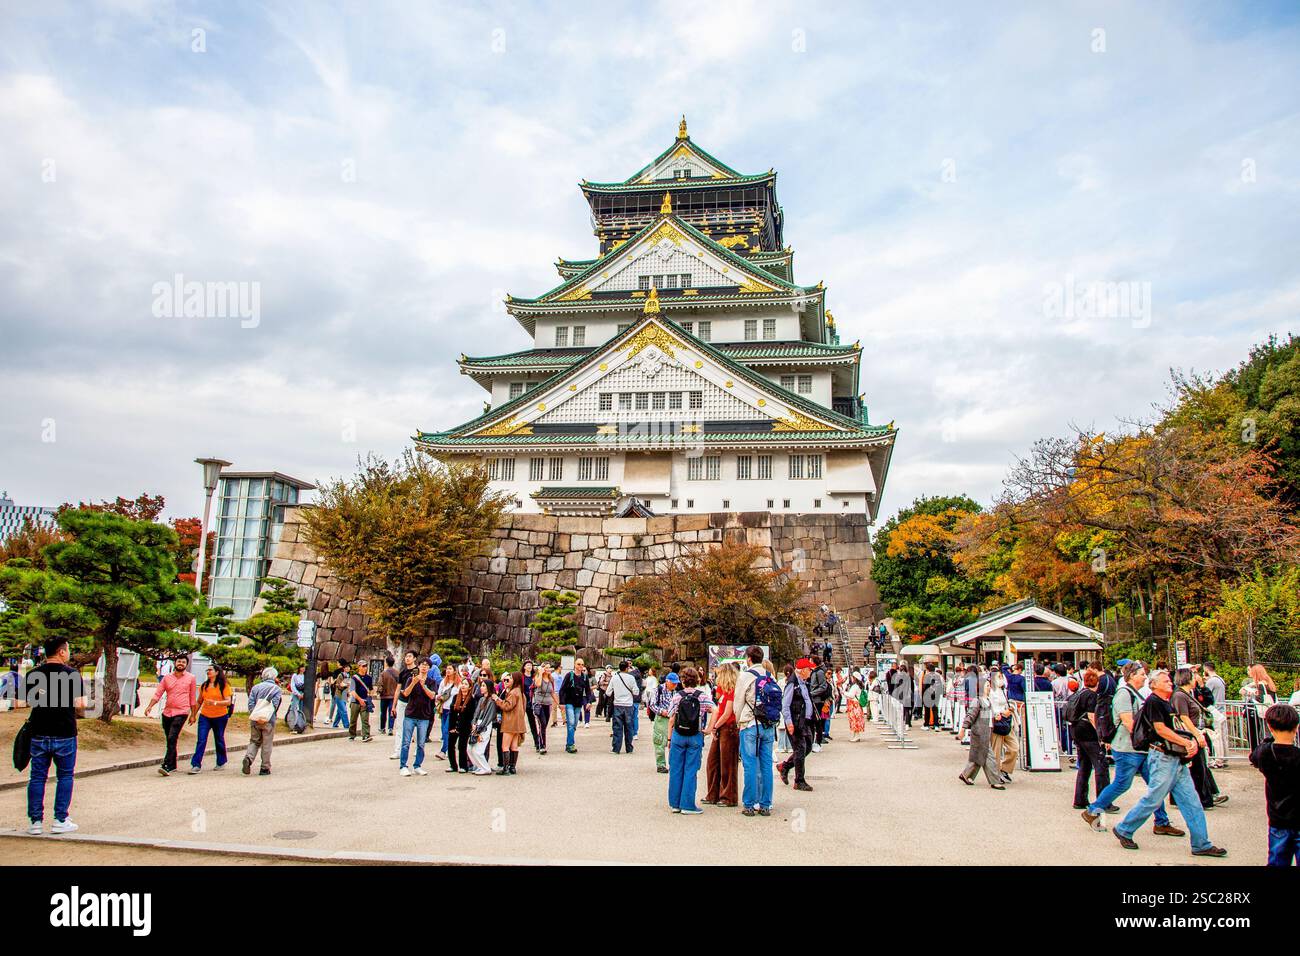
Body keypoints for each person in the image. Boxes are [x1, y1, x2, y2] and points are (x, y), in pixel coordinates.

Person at [1111, 670, 1226, 857]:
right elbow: (1160, 729)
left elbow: (1173, 727)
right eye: (1165, 681)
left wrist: (1189, 741)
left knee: (1191, 801)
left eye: (1169, 680)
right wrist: (1187, 742)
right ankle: (1124, 828)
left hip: (1174, 758)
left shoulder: (1166, 702)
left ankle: (1201, 843)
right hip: (1162, 757)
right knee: (1154, 798)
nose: (1169, 683)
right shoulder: (1154, 702)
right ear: (1154, 684)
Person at [1083, 663, 1177, 832]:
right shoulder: (1124, 694)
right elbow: (1129, 723)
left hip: (1138, 748)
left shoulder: (1135, 694)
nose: (1144, 677)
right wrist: (1152, 737)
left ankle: (1161, 822)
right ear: (1132, 675)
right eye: (1141, 674)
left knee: (1156, 785)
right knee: (1122, 784)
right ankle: (1093, 809)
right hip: (1127, 748)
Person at [24, 636, 86, 835]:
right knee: (65, 776)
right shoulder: (72, 674)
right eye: (68, 649)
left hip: (39, 731)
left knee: (37, 777)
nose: (69, 653)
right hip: (64, 731)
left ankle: (35, 822)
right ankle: (60, 819)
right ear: (61, 652)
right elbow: (81, 704)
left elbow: (27, 702)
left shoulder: (34, 674)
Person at [1249, 703, 1299, 866]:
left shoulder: (1264, 753)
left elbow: (1253, 756)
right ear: (1296, 727)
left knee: (1277, 861)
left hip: (1278, 819)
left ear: (1270, 727)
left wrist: (1269, 739)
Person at [1172, 667, 1226, 810]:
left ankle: (1208, 794)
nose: (1196, 678)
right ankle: (1203, 797)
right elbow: (1183, 717)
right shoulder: (1180, 696)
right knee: (1197, 767)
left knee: (1200, 766)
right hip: (1190, 734)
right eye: (1193, 676)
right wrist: (1196, 734)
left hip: (1195, 732)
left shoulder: (1186, 694)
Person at [666, 666, 715, 814]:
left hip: (678, 735)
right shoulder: (702, 696)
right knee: (691, 769)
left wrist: (669, 738)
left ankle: (675, 803)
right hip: (695, 735)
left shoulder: (677, 696)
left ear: (682, 680)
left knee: (675, 769)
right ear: (697, 680)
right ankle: (687, 804)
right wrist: (708, 729)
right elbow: (715, 710)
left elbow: (671, 718)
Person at [735, 646, 775, 817]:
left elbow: (738, 703)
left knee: (750, 764)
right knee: (766, 765)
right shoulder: (769, 676)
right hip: (768, 725)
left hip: (750, 723)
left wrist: (739, 722)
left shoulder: (746, 676)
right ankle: (765, 803)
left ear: (749, 659)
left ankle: (749, 804)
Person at [145, 655, 197, 777]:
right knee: (170, 738)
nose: (181, 664)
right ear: (175, 663)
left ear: (186, 664)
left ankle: (166, 765)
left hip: (182, 712)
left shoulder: (191, 678)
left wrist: (193, 715)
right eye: (179, 661)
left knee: (172, 737)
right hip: (167, 712)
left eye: (183, 662)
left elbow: (192, 698)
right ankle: (173, 764)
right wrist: (150, 706)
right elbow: (158, 693)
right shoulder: (167, 678)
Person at [1070, 668, 1110, 809]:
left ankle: (1080, 799)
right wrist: (1101, 736)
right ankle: (1104, 801)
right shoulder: (1092, 696)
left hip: (1077, 731)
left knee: (1084, 766)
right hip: (1088, 733)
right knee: (1101, 766)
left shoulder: (1080, 693)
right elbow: (1092, 717)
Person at [958, 673, 1005, 789]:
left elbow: (985, 716)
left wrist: (995, 717)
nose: (989, 687)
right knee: (989, 757)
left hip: (985, 731)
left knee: (979, 757)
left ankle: (966, 774)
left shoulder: (987, 701)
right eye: (987, 685)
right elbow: (970, 716)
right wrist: (963, 729)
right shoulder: (977, 701)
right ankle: (995, 781)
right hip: (979, 733)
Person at [703, 663, 739, 807]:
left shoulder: (732, 690)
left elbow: (728, 713)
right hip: (721, 727)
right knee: (713, 762)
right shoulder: (724, 691)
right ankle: (713, 794)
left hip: (728, 727)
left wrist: (714, 726)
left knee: (727, 764)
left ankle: (728, 796)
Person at [778, 658, 817, 792]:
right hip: (795, 721)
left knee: (808, 747)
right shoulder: (792, 683)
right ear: (803, 670)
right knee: (800, 749)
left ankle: (785, 766)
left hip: (804, 721)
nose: (811, 672)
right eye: (809, 669)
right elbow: (785, 705)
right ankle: (799, 780)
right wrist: (789, 722)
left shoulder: (803, 682)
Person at [187, 664, 233, 773]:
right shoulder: (204, 686)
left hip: (220, 716)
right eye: (207, 670)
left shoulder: (224, 686)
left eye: (210, 670)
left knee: (219, 739)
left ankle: (221, 762)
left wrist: (215, 703)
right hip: (205, 716)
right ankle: (196, 764)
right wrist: (193, 715)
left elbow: (228, 701)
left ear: (217, 672)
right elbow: (199, 701)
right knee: (201, 740)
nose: (208, 672)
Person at [396, 657, 437, 776]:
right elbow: (406, 693)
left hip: (424, 716)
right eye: (422, 664)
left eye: (426, 665)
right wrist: (414, 683)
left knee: (421, 743)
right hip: (410, 714)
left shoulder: (431, 681)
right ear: (418, 666)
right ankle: (403, 766)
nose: (424, 667)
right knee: (406, 742)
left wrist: (423, 685)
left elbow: (432, 696)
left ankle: (417, 765)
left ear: (429, 668)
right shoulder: (411, 679)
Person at [242, 667, 282, 776]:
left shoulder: (255, 688)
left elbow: (250, 704)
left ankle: (248, 758)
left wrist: (255, 715)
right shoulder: (276, 689)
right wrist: (267, 716)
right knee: (267, 744)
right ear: (274, 676)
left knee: (254, 741)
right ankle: (264, 767)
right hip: (268, 720)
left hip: (255, 719)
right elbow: (275, 705)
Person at [493, 672, 527, 775]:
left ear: (515, 680)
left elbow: (507, 706)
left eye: (510, 678)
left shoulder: (513, 693)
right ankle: (512, 767)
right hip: (517, 723)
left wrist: (497, 699)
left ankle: (506, 768)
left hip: (510, 723)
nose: (508, 680)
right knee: (514, 746)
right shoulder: (520, 692)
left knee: (505, 746)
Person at [1242, 663, 1279, 752]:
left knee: (1265, 734)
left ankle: (1267, 754)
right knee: (1269, 733)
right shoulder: (1269, 683)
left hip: (1264, 712)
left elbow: (1261, 700)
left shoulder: (1261, 685)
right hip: (1271, 711)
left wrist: (1254, 697)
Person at [558, 658, 591, 753]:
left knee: (574, 724)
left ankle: (568, 743)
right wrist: (562, 703)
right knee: (571, 722)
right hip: (569, 702)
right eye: (578, 664)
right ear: (575, 665)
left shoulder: (584, 677)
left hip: (578, 703)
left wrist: (588, 701)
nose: (580, 666)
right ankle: (571, 744)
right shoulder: (569, 675)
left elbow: (588, 690)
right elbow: (562, 689)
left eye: (582, 664)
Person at [467, 676, 499, 776]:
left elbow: (489, 716)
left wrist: (479, 727)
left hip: (484, 726)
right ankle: (479, 766)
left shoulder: (491, 701)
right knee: (470, 748)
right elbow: (476, 713)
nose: (481, 687)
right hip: (477, 724)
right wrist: (474, 723)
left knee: (478, 750)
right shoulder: (481, 699)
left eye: (484, 686)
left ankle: (485, 768)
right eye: (481, 685)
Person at [388, 650, 417, 759]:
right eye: (406, 656)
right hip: (402, 701)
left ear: (414, 658)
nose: (407, 658)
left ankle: (417, 749)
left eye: (410, 656)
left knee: (414, 727)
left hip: (413, 702)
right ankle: (398, 750)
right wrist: (394, 705)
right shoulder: (403, 672)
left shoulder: (416, 671)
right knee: (400, 726)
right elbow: (398, 689)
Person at [608, 659, 639, 754]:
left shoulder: (614, 678)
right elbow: (636, 692)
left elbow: (608, 692)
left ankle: (616, 749)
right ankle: (629, 748)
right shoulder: (631, 678)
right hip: (628, 705)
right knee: (629, 728)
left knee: (617, 727)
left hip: (617, 705)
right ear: (627, 668)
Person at [651, 671, 679, 773]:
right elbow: (652, 704)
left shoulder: (675, 692)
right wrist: (662, 712)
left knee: (673, 741)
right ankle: (661, 764)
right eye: (673, 683)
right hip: (661, 718)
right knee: (660, 740)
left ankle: (673, 764)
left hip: (673, 718)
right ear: (667, 681)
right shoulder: (658, 690)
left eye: (676, 683)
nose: (675, 685)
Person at [446, 671, 474, 773]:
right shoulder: (455, 697)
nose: (463, 686)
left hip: (465, 727)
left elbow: (470, 716)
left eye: (466, 684)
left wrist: (460, 728)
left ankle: (463, 766)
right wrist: (451, 727)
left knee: (462, 746)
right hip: (454, 725)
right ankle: (453, 765)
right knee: (450, 745)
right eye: (462, 683)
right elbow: (452, 713)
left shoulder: (471, 700)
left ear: (470, 687)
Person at [532, 664, 556, 754]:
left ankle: (539, 743)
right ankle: (542, 746)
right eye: (546, 667)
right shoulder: (538, 677)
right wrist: (541, 673)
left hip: (547, 704)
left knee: (544, 726)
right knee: (543, 724)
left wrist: (559, 704)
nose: (548, 669)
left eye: (549, 667)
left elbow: (552, 692)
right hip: (539, 704)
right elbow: (538, 684)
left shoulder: (551, 679)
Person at [348, 659, 374, 742]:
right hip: (355, 701)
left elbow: (371, 689)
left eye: (366, 666)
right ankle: (352, 734)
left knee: (365, 719)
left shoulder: (369, 678)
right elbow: (352, 691)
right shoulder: (354, 678)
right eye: (363, 666)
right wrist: (359, 700)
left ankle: (366, 735)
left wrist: (370, 696)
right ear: (359, 667)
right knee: (353, 720)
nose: (365, 668)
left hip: (365, 701)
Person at [377, 655, 399, 735]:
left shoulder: (383, 673)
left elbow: (380, 684)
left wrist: (379, 692)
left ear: (386, 663)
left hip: (384, 696)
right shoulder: (397, 673)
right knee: (392, 711)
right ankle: (390, 728)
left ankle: (382, 728)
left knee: (383, 712)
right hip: (393, 696)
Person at [845, 673, 867, 742]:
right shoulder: (859, 686)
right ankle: (856, 735)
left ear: (855, 678)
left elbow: (851, 695)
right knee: (856, 719)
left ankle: (856, 736)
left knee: (854, 720)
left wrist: (844, 692)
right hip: (856, 704)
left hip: (854, 705)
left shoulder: (855, 686)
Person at [329, 664, 351, 729]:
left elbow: (348, 685)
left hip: (345, 694)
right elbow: (338, 685)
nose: (348, 669)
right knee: (343, 710)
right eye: (346, 667)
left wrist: (348, 691)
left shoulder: (348, 675)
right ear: (343, 668)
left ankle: (335, 724)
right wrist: (345, 685)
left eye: (348, 667)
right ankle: (347, 725)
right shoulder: (340, 675)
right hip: (339, 694)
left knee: (340, 710)